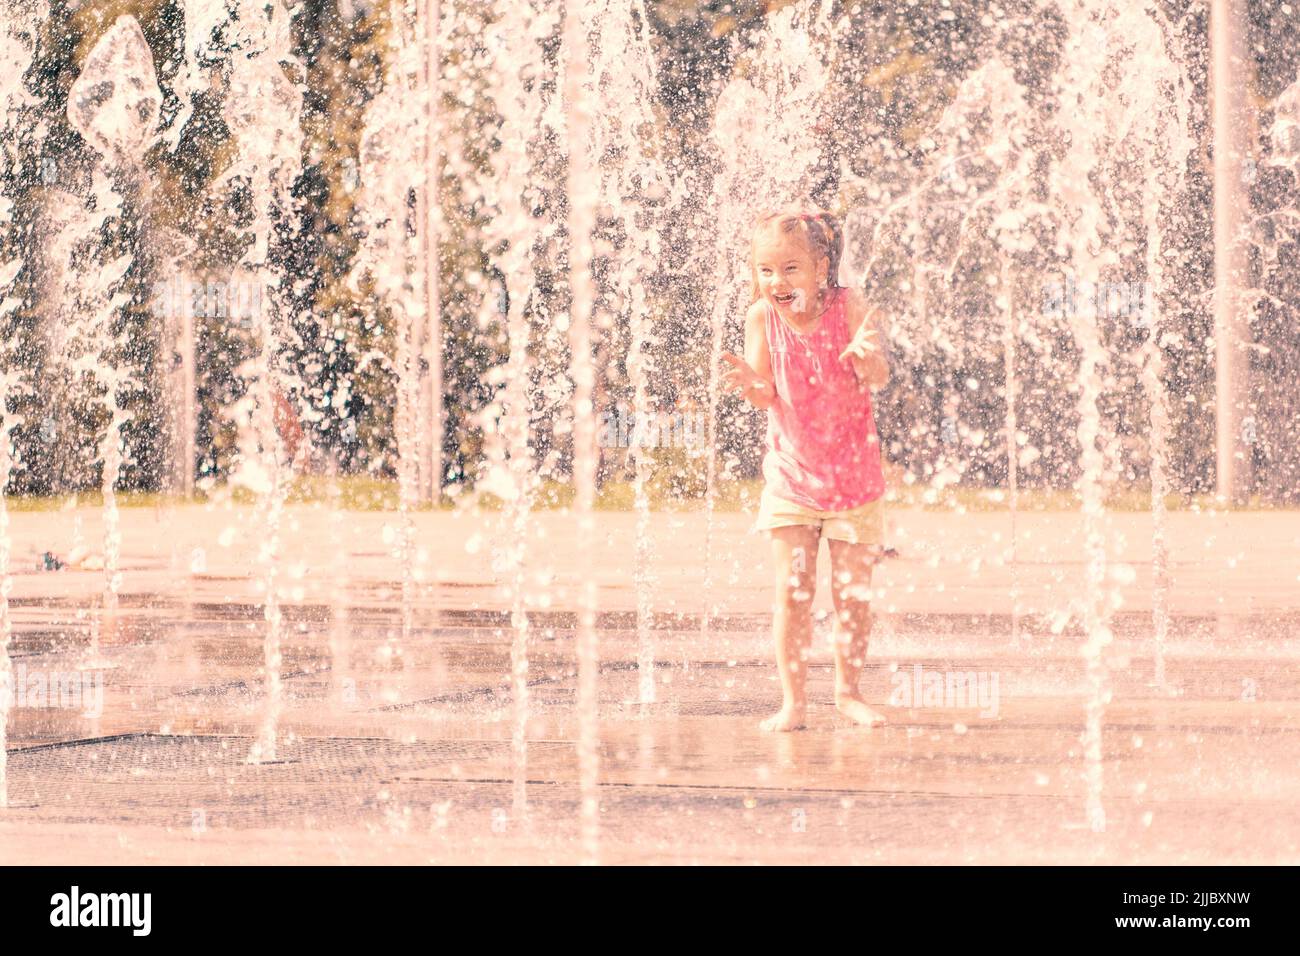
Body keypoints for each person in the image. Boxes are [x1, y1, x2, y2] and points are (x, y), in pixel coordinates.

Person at [720, 206, 890, 732]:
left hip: (854, 481)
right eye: (765, 270)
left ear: (821, 266)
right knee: (793, 590)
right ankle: (793, 703)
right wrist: (752, 386)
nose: (777, 281)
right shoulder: (761, 318)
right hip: (792, 477)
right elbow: (765, 393)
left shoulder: (850, 307)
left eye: (790, 269)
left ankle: (848, 692)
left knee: (851, 595)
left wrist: (867, 360)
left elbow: (879, 376)